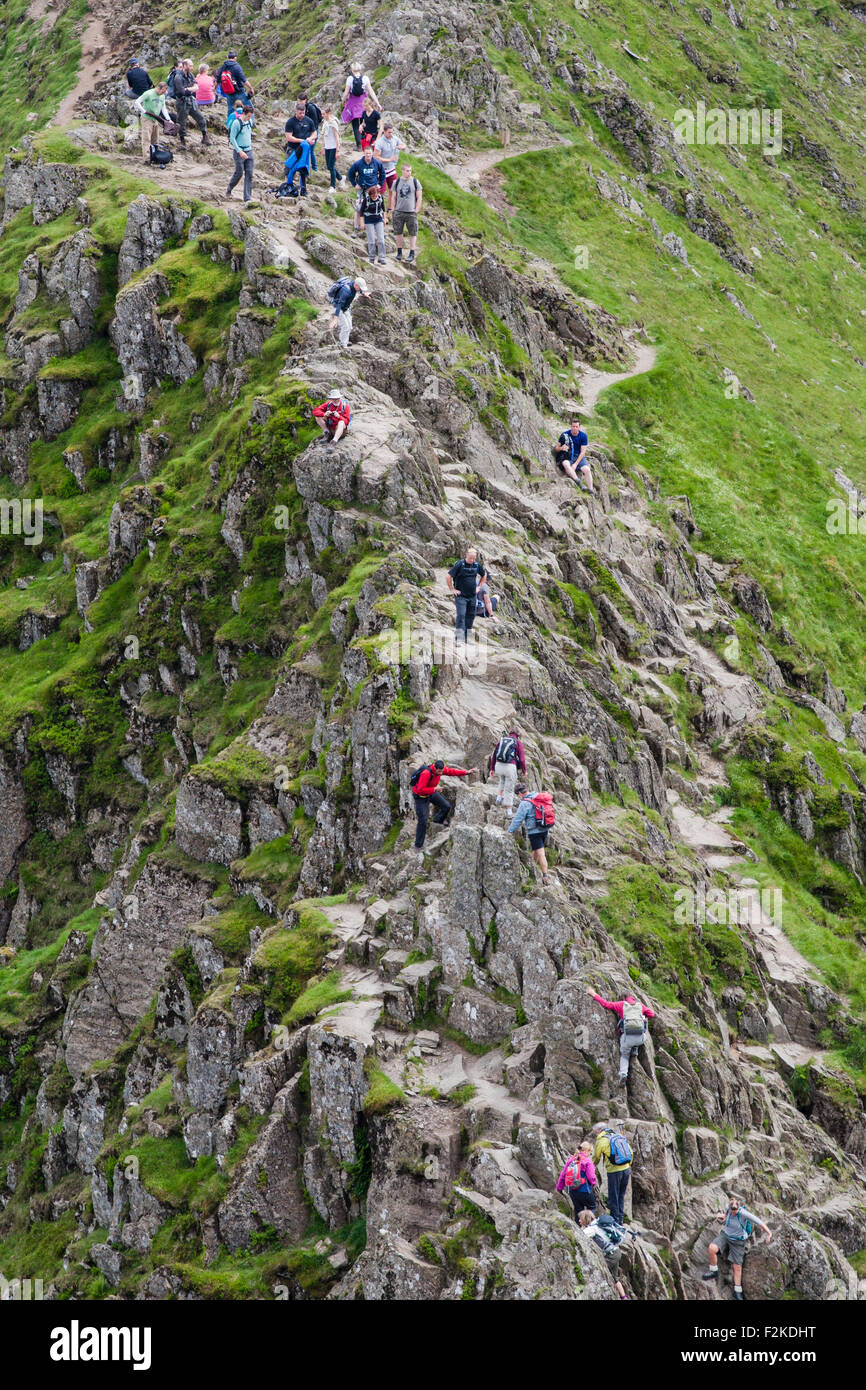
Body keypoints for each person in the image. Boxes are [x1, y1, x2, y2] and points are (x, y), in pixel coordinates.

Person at [703, 1196, 772, 1301]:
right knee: (712, 1248)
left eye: (735, 1210)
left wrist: (769, 1234)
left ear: (738, 1208)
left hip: (738, 1241)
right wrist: (723, 1217)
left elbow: (759, 1222)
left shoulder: (743, 1213)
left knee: (737, 1266)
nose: (733, 1212)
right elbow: (726, 1218)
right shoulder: (728, 1208)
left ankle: (737, 1291)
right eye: (732, 1210)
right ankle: (714, 1271)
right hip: (726, 1235)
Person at [587, 990, 655, 1085]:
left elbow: (606, 1004)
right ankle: (635, 1049)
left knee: (624, 1056)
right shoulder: (640, 1005)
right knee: (642, 1035)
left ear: (622, 998)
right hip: (640, 1038)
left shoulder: (621, 1004)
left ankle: (623, 1074)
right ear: (631, 997)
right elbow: (652, 1014)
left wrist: (593, 994)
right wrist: (642, 1017)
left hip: (627, 1038)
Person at [410, 759, 477, 855]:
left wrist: (466, 772)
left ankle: (437, 821)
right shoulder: (426, 773)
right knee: (423, 820)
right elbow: (421, 789)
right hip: (421, 797)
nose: (441, 773)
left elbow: (451, 771)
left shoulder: (440, 769)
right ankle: (418, 845)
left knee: (446, 806)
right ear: (435, 768)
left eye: (442, 771)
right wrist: (434, 789)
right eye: (439, 772)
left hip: (431, 792)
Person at [577, 1209, 634, 1300]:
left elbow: (579, 1236)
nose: (579, 1221)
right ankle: (624, 1298)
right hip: (615, 1252)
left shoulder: (591, 1229)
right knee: (615, 1278)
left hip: (610, 1256)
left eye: (580, 1219)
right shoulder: (597, 1224)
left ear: (585, 1219)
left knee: (597, 1271)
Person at [507, 784, 555, 886]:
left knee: (541, 853)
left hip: (534, 831)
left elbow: (518, 819)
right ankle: (532, 867)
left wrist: (509, 831)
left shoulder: (525, 803)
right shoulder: (538, 796)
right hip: (545, 828)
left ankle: (545, 876)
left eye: (518, 795)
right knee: (536, 850)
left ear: (520, 793)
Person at [592, 1123, 633, 1226]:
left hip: (614, 1172)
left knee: (613, 1196)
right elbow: (630, 1152)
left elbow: (596, 1157)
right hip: (626, 1169)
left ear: (598, 1131)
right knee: (621, 1195)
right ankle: (621, 1219)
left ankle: (615, 1221)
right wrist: (628, 1165)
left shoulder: (601, 1140)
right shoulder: (618, 1136)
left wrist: (590, 1167)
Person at [446, 546, 487, 644]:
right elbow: (448, 576)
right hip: (461, 596)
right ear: (466, 555)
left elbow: (484, 575)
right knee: (461, 615)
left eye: (473, 558)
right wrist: (452, 589)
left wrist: (479, 586)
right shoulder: (460, 564)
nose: (472, 560)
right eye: (470, 558)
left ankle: (467, 638)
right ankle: (459, 639)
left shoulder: (476, 565)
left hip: (472, 596)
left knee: (471, 616)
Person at [170, 59, 210, 149]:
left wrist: (190, 89)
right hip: (182, 102)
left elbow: (196, 86)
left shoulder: (190, 75)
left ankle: (205, 136)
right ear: (185, 66)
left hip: (191, 101)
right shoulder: (178, 77)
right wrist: (192, 89)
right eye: (190, 66)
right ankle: (182, 141)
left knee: (201, 118)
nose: (192, 67)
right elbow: (182, 91)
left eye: (192, 65)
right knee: (182, 122)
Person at [341, 62, 380, 149]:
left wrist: (343, 101)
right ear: (360, 69)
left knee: (355, 124)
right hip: (363, 102)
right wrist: (377, 103)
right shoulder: (365, 78)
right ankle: (366, 143)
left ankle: (359, 145)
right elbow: (371, 91)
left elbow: (346, 92)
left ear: (352, 69)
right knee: (364, 123)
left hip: (353, 102)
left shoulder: (350, 79)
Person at [284, 97, 318, 197]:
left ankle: (303, 190)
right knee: (289, 168)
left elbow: (314, 132)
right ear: (296, 111)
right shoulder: (290, 122)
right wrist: (301, 141)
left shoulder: (309, 121)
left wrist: (311, 138)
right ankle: (287, 187)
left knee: (303, 170)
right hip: (293, 148)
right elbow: (288, 137)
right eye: (300, 113)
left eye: (303, 113)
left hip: (305, 150)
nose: (301, 115)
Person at [347, 147, 386, 235]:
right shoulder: (359, 163)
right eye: (366, 153)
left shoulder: (377, 163)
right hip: (362, 189)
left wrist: (380, 184)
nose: (368, 155)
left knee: (377, 207)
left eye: (369, 153)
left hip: (373, 190)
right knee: (358, 208)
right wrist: (354, 184)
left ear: (372, 154)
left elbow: (383, 173)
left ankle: (379, 230)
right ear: (364, 154)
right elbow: (350, 173)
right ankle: (356, 228)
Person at [488, 729, 526, 816]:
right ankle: (509, 811)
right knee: (509, 788)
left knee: (502, 779)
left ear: (510, 733)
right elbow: (522, 759)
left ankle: (499, 797)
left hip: (498, 765)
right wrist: (524, 771)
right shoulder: (518, 742)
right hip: (510, 767)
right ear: (518, 735)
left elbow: (494, 755)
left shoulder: (502, 740)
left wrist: (492, 769)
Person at [327, 275, 371, 350]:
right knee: (345, 327)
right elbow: (339, 304)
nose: (360, 289)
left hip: (346, 308)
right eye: (360, 288)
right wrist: (335, 319)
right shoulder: (346, 291)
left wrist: (364, 294)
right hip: (338, 308)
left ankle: (345, 341)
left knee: (350, 327)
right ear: (356, 285)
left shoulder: (355, 286)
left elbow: (358, 290)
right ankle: (343, 345)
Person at [556, 1143, 598, 1220]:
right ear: (586, 1151)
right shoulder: (587, 1161)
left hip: (573, 1191)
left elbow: (563, 1175)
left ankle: (579, 1228)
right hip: (585, 1190)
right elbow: (591, 1176)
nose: (590, 1154)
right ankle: (589, 1226)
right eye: (590, 1152)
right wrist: (594, 1184)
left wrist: (559, 1187)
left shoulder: (571, 1160)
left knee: (578, 1210)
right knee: (592, 1207)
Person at [553, 416, 593, 492]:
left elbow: (583, 452)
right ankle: (579, 482)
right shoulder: (565, 435)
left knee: (587, 470)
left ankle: (591, 490)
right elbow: (556, 448)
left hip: (579, 456)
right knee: (565, 464)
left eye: (576, 427)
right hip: (568, 455)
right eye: (573, 426)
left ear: (579, 427)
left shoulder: (583, 436)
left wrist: (575, 464)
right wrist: (561, 448)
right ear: (571, 426)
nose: (574, 428)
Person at [375, 121, 407, 214]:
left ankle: (390, 210)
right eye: (389, 132)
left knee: (393, 190)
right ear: (384, 132)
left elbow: (404, 145)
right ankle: (381, 211)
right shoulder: (380, 142)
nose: (391, 134)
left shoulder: (394, 138)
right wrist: (389, 159)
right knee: (381, 192)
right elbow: (376, 157)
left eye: (392, 132)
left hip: (392, 169)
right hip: (382, 170)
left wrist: (401, 147)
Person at [392, 164, 422, 263]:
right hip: (399, 211)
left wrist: (416, 209)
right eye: (407, 171)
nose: (409, 173)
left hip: (411, 212)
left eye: (410, 171)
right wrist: (393, 209)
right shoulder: (396, 182)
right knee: (398, 232)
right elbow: (393, 197)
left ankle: (412, 252)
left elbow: (419, 197)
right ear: (402, 171)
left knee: (413, 232)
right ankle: (399, 252)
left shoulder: (415, 182)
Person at [135, 81, 169, 164]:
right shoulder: (149, 93)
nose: (163, 93)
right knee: (146, 139)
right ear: (158, 88)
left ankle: (154, 156)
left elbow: (163, 108)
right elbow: (137, 102)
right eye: (163, 91)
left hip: (155, 119)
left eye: (164, 92)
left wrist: (168, 119)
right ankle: (147, 159)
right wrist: (144, 111)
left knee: (155, 139)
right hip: (147, 119)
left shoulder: (162, 96)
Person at [226, 106, 254, 203]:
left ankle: (247, 197)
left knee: (249, 174)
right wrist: (239, 151)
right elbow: (232, 138)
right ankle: (229, 188)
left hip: (249, 150)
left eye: (250, 116)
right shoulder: (237, 123)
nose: (249, 118)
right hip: (239, 152)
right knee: (239, 173)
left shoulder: (250, 122)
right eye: (248, 116)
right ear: (244, 113)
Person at [362, 184, 386, 266]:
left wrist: (384, 218)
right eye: (373, 196)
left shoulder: (380, 198)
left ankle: (381, 258)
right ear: (370, 195)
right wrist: (362, 223)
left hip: (378, 219)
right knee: (371, 240)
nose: (374, 197)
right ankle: (372, 258)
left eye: (375, 196)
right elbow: (361, 212)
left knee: (381, 239)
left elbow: (383, 208)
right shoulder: (366, 200)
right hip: (369, 220)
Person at [321, 105, 342, 188]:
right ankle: (340, 178)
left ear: (329, 113)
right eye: (322, 114)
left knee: (331, 166)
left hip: (333, 147)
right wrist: (323, 147)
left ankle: (332, 186)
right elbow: (324, 136)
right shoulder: (324, 122)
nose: (323, 116)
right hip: (327, 147)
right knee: (329, 166)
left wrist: (338, 150)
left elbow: (337, 137)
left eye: (324, 114)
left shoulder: (333, 123)